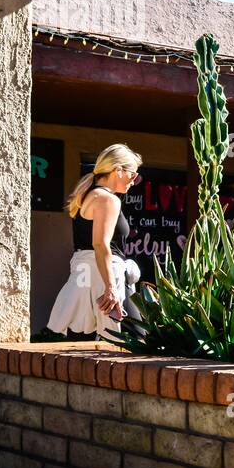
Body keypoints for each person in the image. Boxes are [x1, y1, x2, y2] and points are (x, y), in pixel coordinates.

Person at [47, 144, 144, 340]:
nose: (134, 181)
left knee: (83, 342)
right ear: (118, 170)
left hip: (83, 279)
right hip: (105, 276)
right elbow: (100, 244)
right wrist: (111, 288)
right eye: (133, 174)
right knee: (136, 340)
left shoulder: (87, 195)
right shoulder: (108, 199)